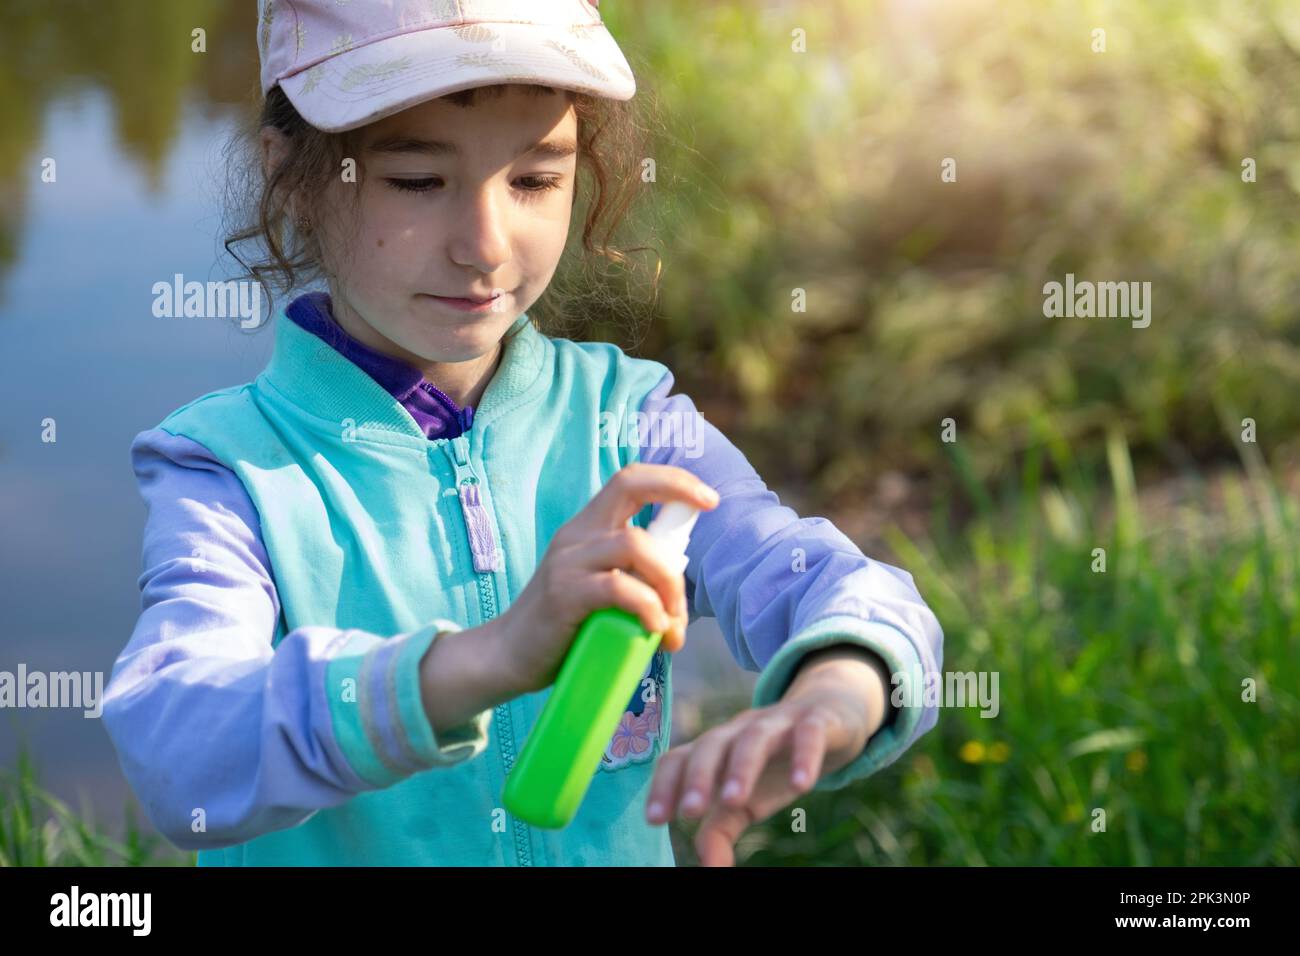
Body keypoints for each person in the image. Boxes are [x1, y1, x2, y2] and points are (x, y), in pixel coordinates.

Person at [102, 0, 944, 867]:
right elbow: (177, 748)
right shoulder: (230, 471)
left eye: (536, 179)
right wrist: (487, 659)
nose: (487, 246)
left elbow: (821, 576)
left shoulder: (631, 423)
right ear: (294, 179)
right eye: (419, 182)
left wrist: (830, 697)